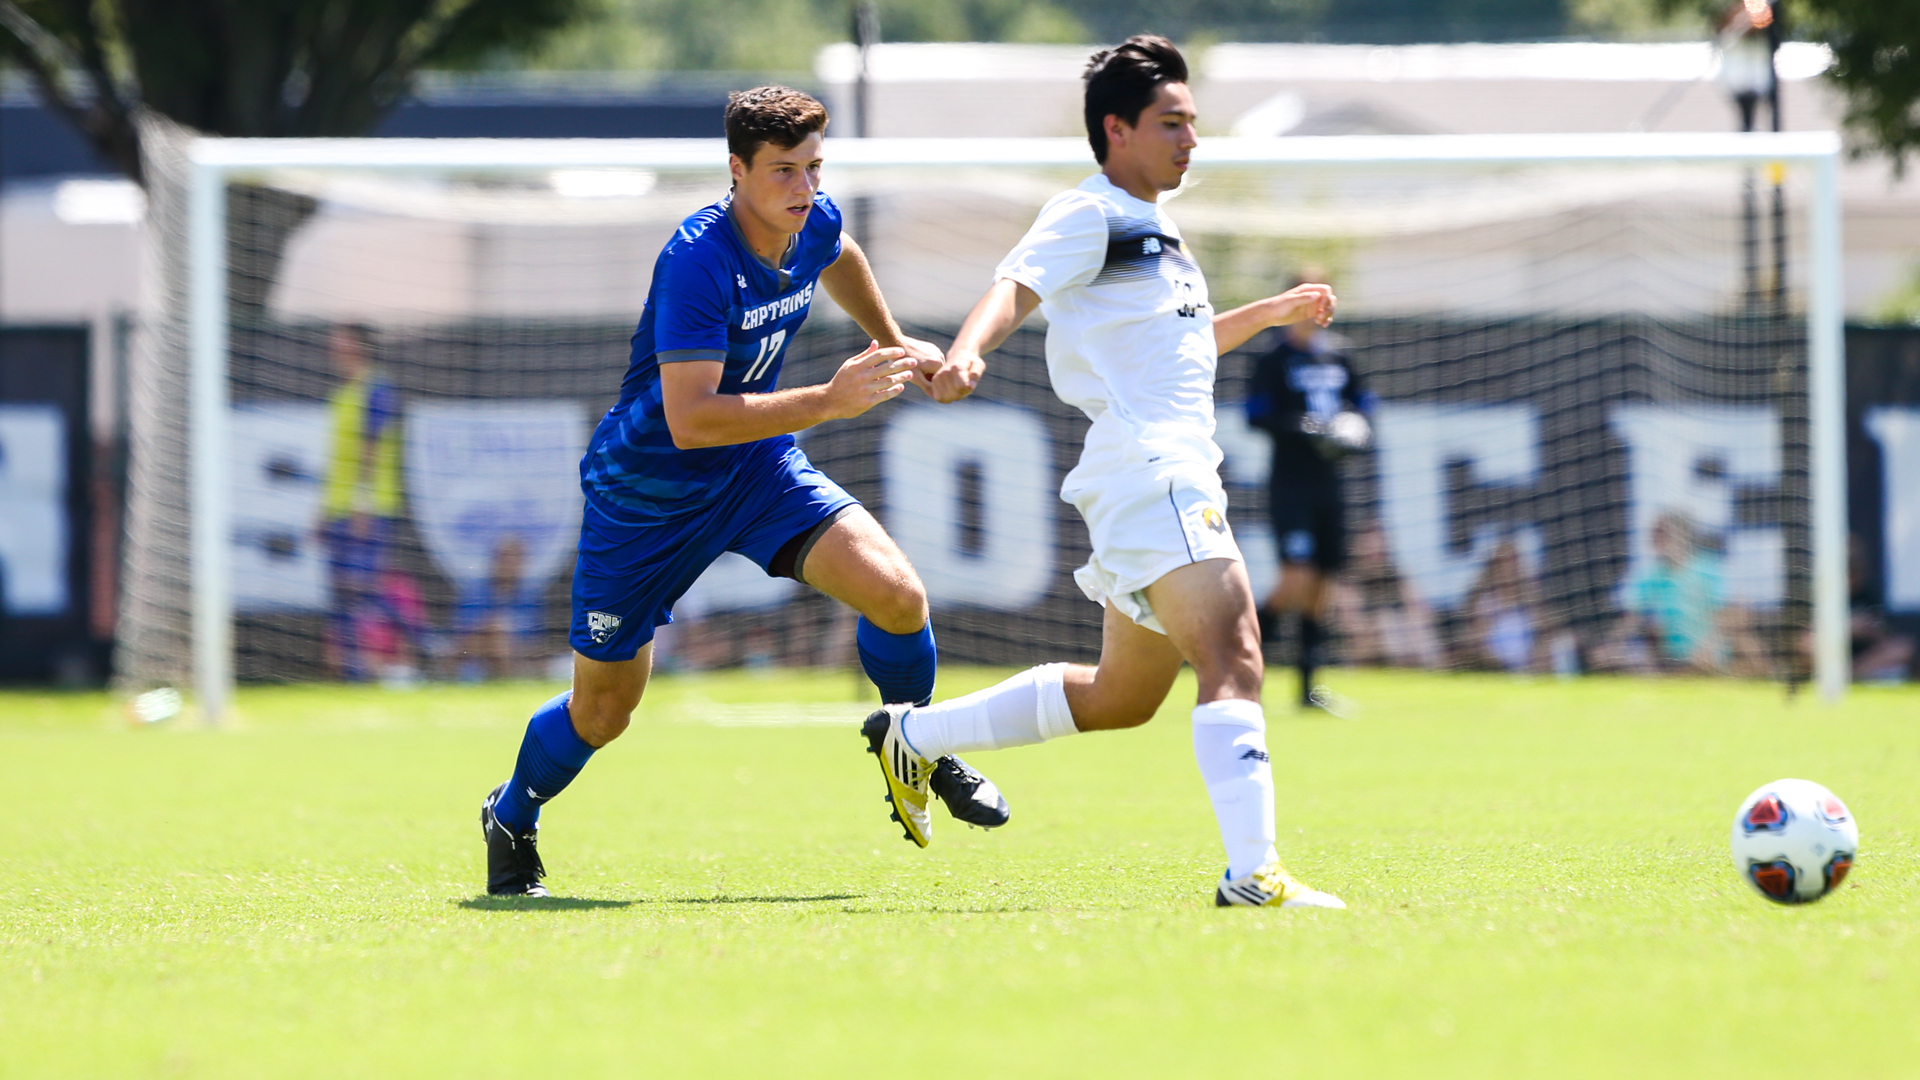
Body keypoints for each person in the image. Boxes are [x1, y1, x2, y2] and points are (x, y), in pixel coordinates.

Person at [477, 86, 1009, 898]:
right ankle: (512, 814)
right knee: (605, 710)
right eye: (784, 171)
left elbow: (840, 253)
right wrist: (832, 400)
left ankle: (917, 742)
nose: (804, 189)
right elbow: (690, 420)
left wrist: (897, 346)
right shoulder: (696, 259)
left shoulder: (814, 219)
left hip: (756, 470)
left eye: (815, 168)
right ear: (737, 171)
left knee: (899, 597)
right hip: (647, 496)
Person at [860, 37, 1345, 909]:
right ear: (1117, 129)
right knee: (1235, 654)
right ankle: (1254, 875)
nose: (1190, 139)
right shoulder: (1091, 213)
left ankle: (915, 734)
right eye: (1172, 123)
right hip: (1152, 468)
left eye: (1193, 122)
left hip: (1153, 472)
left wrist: (1271, 313)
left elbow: (1180, 342)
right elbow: (1015, 284)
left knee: (1123, 697)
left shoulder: (1159, 226)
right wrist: (968, 357)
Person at [1242, 284, 1374, 708]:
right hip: (1291, 483)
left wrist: (1353, 427)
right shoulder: (1272, 358)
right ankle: (1238, 671)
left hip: (1331, 484)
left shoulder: (1340, 353)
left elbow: (1364, 404)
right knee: (1295, 578)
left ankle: (1309, 690)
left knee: (1322, 584)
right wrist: (1306, 428)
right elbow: (1255, 415)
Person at [317, 323, 406, 682]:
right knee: (341, 592)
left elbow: (371, 447)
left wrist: (362, 501)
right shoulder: (342, 394)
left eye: (340, 337)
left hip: (367, 508)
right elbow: (338, 459)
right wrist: (322, 511)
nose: (332, 344)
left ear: (358, 345)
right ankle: (353, 674)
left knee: (363, 585)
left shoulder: (377, 389)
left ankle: (429, 644)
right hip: (338, 508)